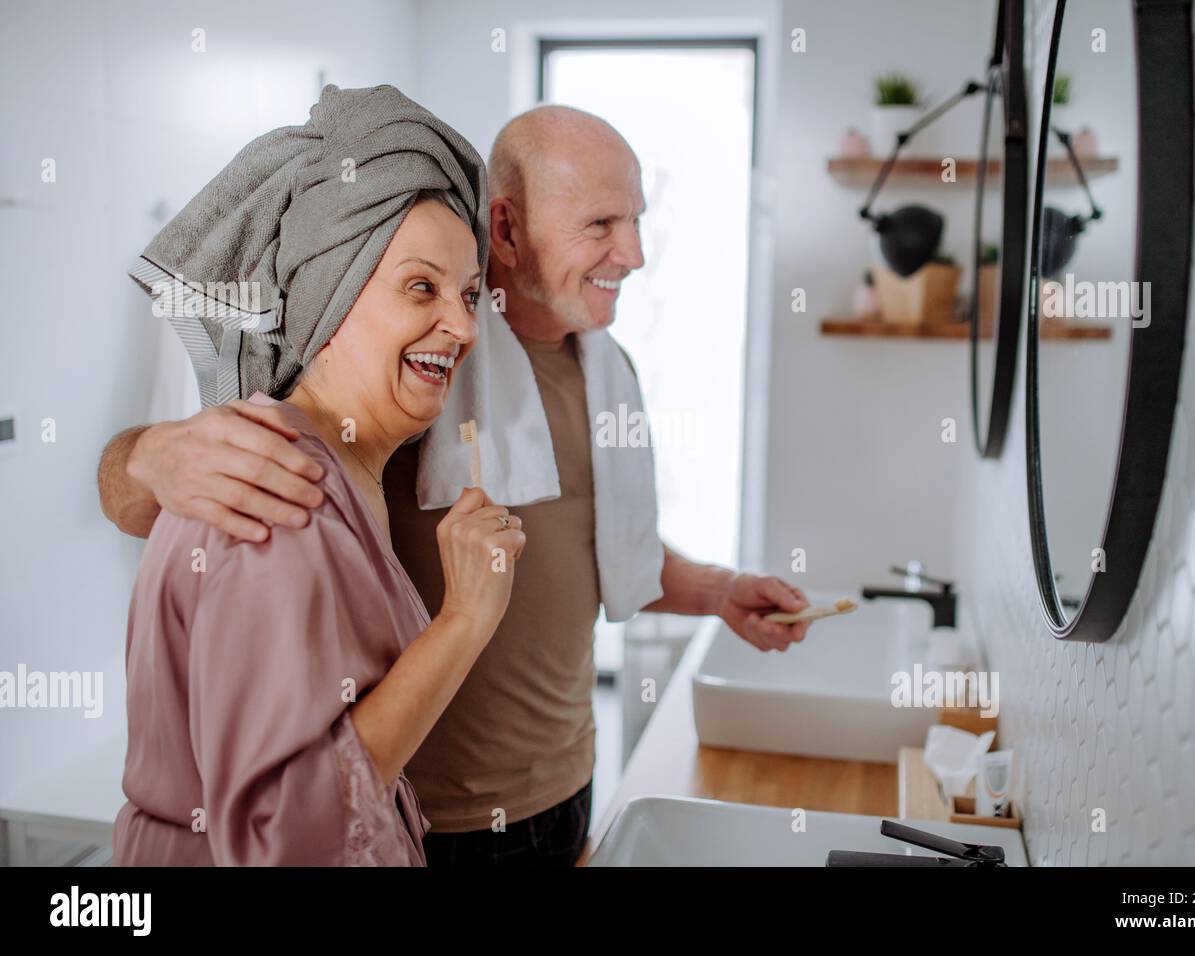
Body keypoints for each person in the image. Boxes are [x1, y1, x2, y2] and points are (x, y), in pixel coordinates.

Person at [100, 104, 810, 868]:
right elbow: (173, 499)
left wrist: (722, 591)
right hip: (430, 820)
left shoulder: (607, 371)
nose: (633, 253)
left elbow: (598, 545)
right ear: (504, 230)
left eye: (637, 220)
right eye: (601, 224)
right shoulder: (407, 380)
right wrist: (149, 456)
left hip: (566, 786)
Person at [108, 85, 524, 866]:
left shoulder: (340, 468)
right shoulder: (276, 491)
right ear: (327, 300)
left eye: (469, 296)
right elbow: (292, 833)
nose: (465, 327)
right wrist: (465, 620)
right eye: (421, 287)